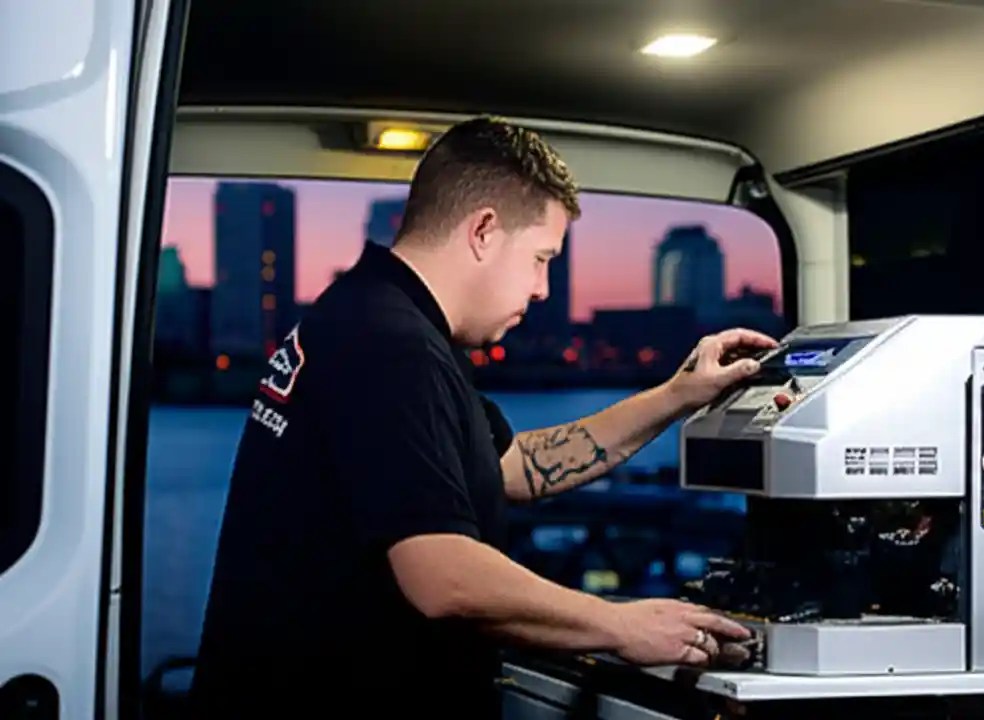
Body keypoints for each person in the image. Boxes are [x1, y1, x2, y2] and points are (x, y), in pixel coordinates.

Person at [189, 116, 777, 718]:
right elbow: (442, 576)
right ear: (484, 232)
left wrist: (678, 395)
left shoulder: (373, 316)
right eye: (541, 258)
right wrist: (621, 625)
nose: (543, 288)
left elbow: (515, 466)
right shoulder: (391, 344)